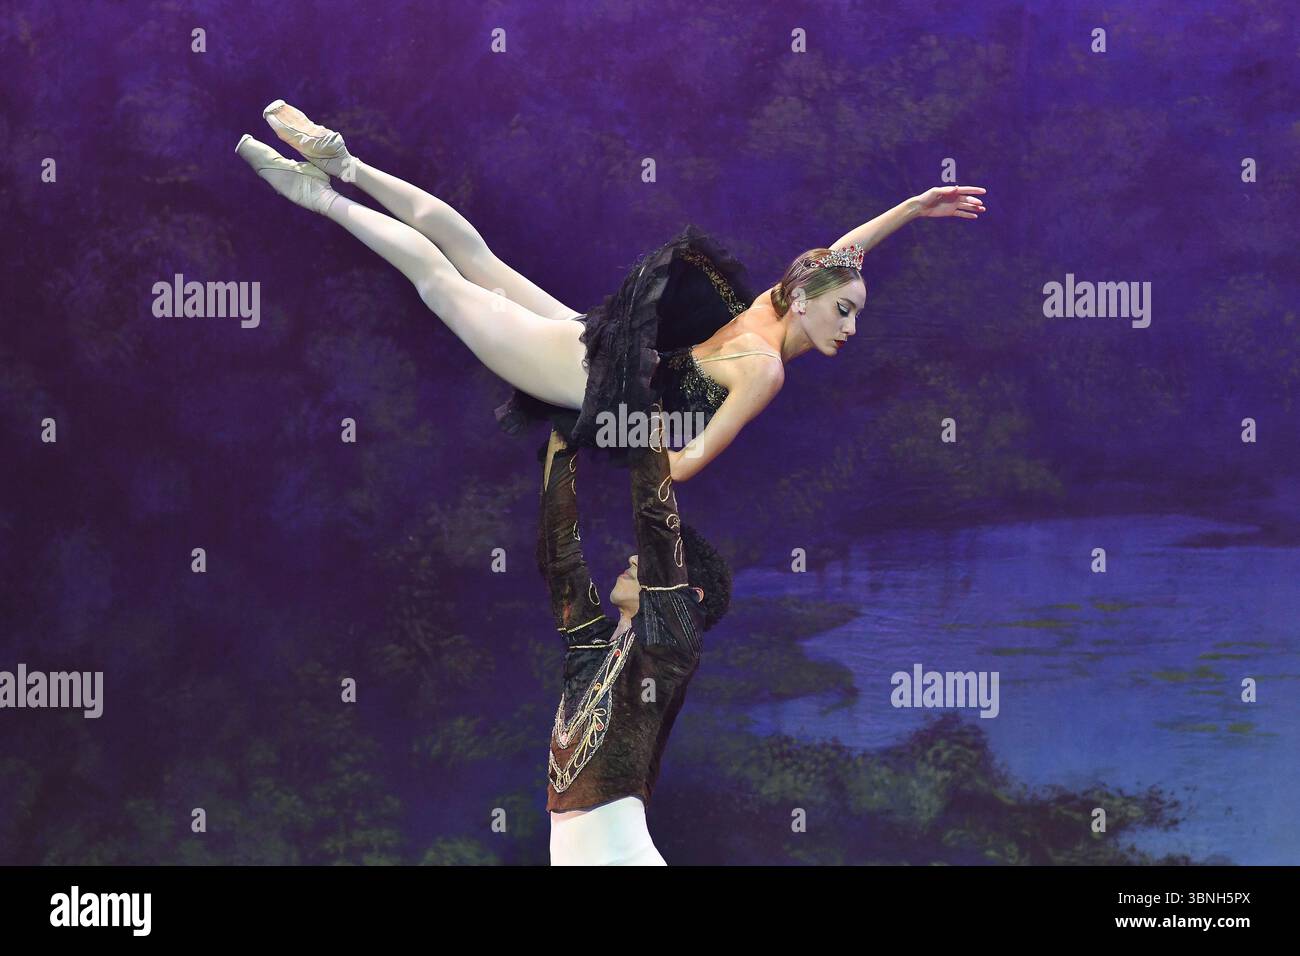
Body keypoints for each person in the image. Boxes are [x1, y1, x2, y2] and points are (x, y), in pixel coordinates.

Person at [236, 101, 987, 482]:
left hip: (587, 340)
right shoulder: (766, 367)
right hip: (583, 369)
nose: (851, 329)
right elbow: (686, 464)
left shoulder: (769, 306)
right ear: (809, 295)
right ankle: (321, 194)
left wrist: (915, 208)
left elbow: (841, 254)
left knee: (472, 255)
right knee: (439, 282)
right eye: (846, 311)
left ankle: (348, 164)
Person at [536, 406, 730, 865]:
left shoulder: (670, 648)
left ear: (689, 596)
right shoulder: (590, 654)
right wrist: (563, 437)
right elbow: (558, 556)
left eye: (648, 561)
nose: (634, 558)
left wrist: (644, 402)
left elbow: (655, 518)